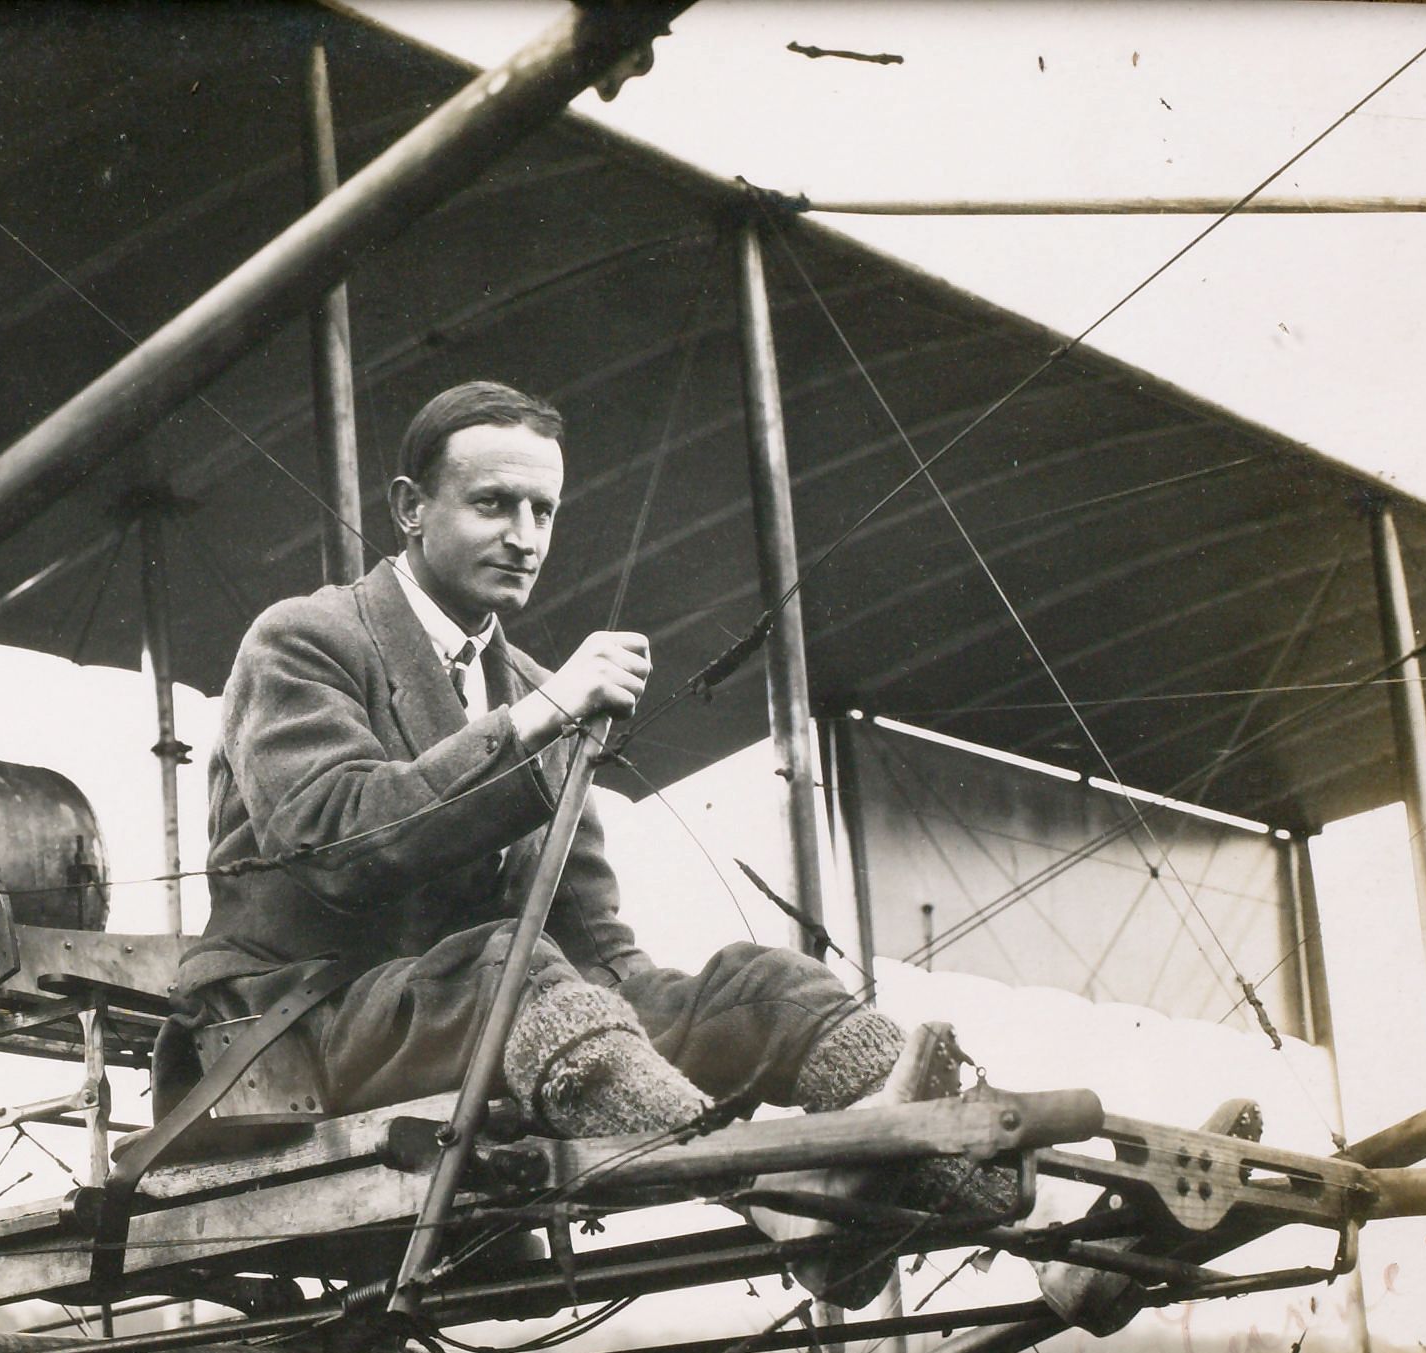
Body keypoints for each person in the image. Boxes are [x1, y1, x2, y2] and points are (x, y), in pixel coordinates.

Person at [168, 381, 1011, 1220]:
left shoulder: (539, 687)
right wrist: (535, 719)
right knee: (516, 969)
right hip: (293, 1028)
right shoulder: (304, 638)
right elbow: (332, 847)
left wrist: (683, 1014)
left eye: (544, 510)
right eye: (494, 504)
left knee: (767, 988)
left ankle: (1002, 1207)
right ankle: (770, 1202)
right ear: (409, 509)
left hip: (469, 1008)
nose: (525, 537)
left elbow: (594, 944)